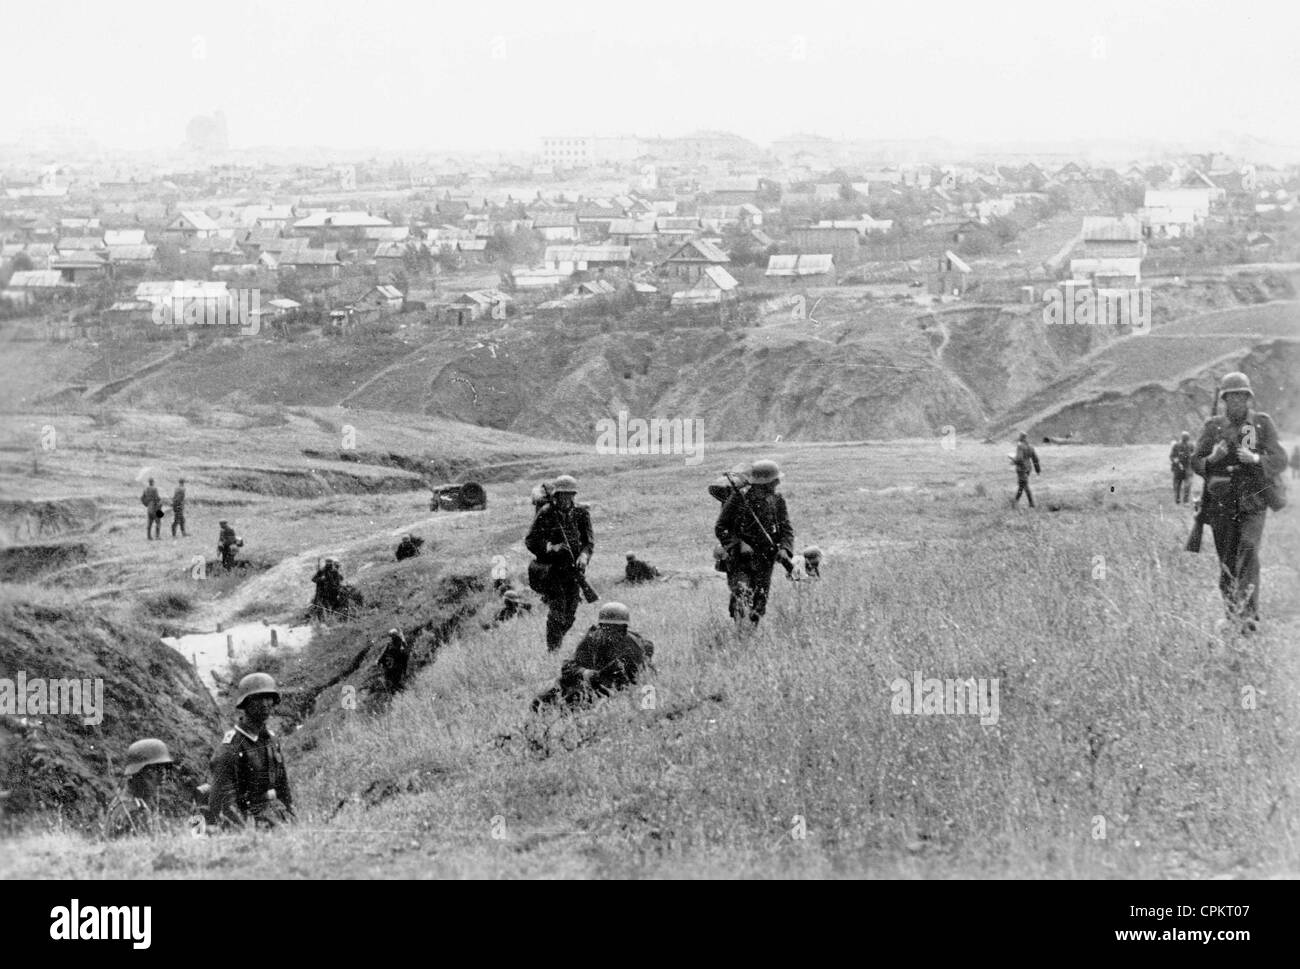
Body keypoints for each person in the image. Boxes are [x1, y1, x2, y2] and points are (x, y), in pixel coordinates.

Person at [1190, 372, 1286, 633]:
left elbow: (1281, 459)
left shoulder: (1261, 424)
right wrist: (1211, 458)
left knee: (1249, 549)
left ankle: (1249, 617)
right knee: (1227, 561)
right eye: (1231, 396)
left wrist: (1255, 460)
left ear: (1248, 398)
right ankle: (1233, 615)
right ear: (1224, 399)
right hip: (1222, 502)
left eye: (1241, 396)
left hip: (1254, 499)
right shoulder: (1213, 427)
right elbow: (1195, 462)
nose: (1236, 401)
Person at [205, 673, 294, 829]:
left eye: (269, 698)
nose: (266, 703)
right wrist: (246, 833)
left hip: (275, 816)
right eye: (259, 698)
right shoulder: (232, 746)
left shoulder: (272, 740)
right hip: (249, 820)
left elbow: (283, 788)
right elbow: (225, 803)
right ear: (246, 704)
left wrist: (292, 816)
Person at [531, 602, 654, 711]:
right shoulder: (592, 639)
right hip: (592, 683)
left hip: (614, 690)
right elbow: (569, 668)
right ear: (600, 626)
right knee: (540, 701)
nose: (610, 632)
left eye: (616, 628)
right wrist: (587, 674)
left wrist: (647, 708)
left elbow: (646, 678)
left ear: (624, 628)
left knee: (574, 703)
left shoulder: (632, 646)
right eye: (606, 627)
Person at [715, 459, 795, 625]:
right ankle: (739, 628)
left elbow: (786, 529)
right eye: (774, 480)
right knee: (741, 592)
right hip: (740, 559)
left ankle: (751, 630)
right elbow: (721, 526)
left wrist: (785, 549)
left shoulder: (778, 501)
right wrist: (737, 544)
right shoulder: (739, 499)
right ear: (764, 483)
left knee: (759, 603)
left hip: (766, 559)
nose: (777, 483)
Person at [525, 475, 594, 652]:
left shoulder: (581, 513)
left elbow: (589, 542)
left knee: (570, 615)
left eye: (570, 495)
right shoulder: (547, 512)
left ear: (574, 495)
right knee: (557, 610)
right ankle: (553, 650)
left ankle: (557, 640)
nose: (566, 499)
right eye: (563, 495)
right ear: (556, 495)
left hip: (573, 571)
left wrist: (584, 557)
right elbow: (531, 540)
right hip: (552, 571)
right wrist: (550, 548)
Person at [102, 738, 174, 838]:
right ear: (137, 773)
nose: (163, 774)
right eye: (155, 769)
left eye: (164, 768)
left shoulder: (129, 799)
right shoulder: (134, 811)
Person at [1011, 433, 1041, 508]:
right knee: (1022, 485)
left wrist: (1013, 461)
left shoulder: (1020, 446)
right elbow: (1035, 459)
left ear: (1021, 438)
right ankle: (1015, 502)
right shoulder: (1031, 447)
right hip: (1028, 468)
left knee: (1024, 485)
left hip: (1021, 469)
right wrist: (1037, 469)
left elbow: (1019, 459)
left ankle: (1031, 503)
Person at [376, 629, 410, 693]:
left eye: (392, 636)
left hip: (397, 665)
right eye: (391, 636)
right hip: (392, 664)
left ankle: (400, 691)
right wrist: (379, 660)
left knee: (394, 680)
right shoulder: (392, 643)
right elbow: (384, 652)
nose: (391, 637)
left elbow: (404, 654)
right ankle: (398, 692)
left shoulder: (401, 643)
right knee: (392, 680)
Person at [1169, 432, 1194, 504]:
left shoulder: (1191, 445)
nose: (1185, 441)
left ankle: (1185, 501)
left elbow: (1194, 455)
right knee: (1177, 485)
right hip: (1178, 468)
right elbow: (1171, 456)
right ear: (1182, 438)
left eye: (1186, 439)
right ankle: (1177, 500)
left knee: (1188, 485)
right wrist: (1175, 460)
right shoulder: (1176, 445)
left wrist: (1192, 458)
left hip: (1188, 467)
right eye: (1184, 439)